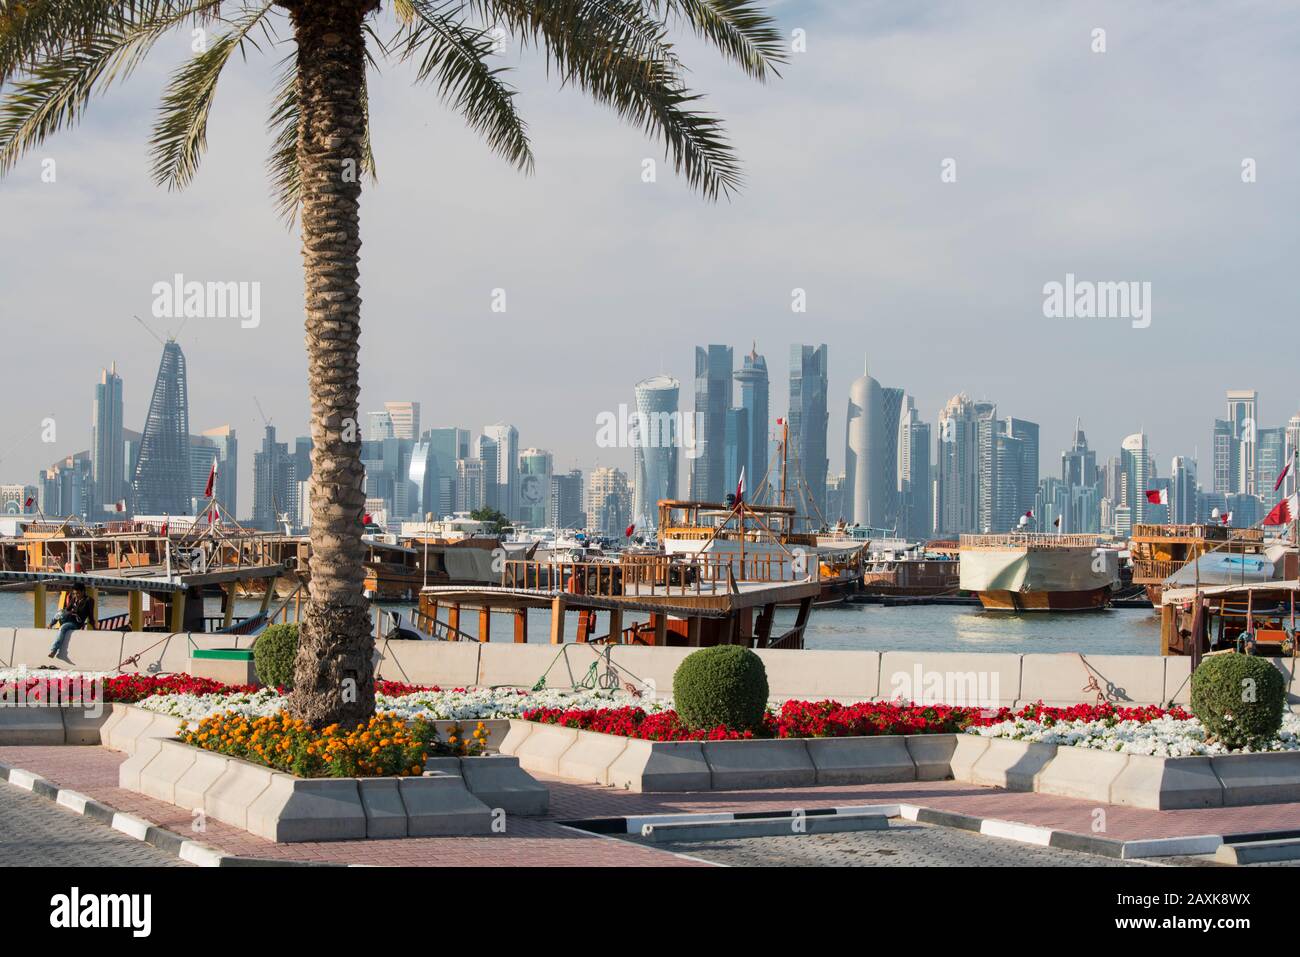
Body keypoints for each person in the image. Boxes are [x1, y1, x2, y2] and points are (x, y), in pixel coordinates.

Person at [48, 584, 93, 658]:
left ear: (83, 592)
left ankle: (54, 650)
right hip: (68, 619)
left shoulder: (89, 600)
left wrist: (94, 627)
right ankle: (51, 624)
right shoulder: (74, 599)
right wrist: (67, 612)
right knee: (60, 612)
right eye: (74, 593)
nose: (76, 595)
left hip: (76, 623)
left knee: (63, 627)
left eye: (78, 593)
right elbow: (67, 609)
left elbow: (90, 615)